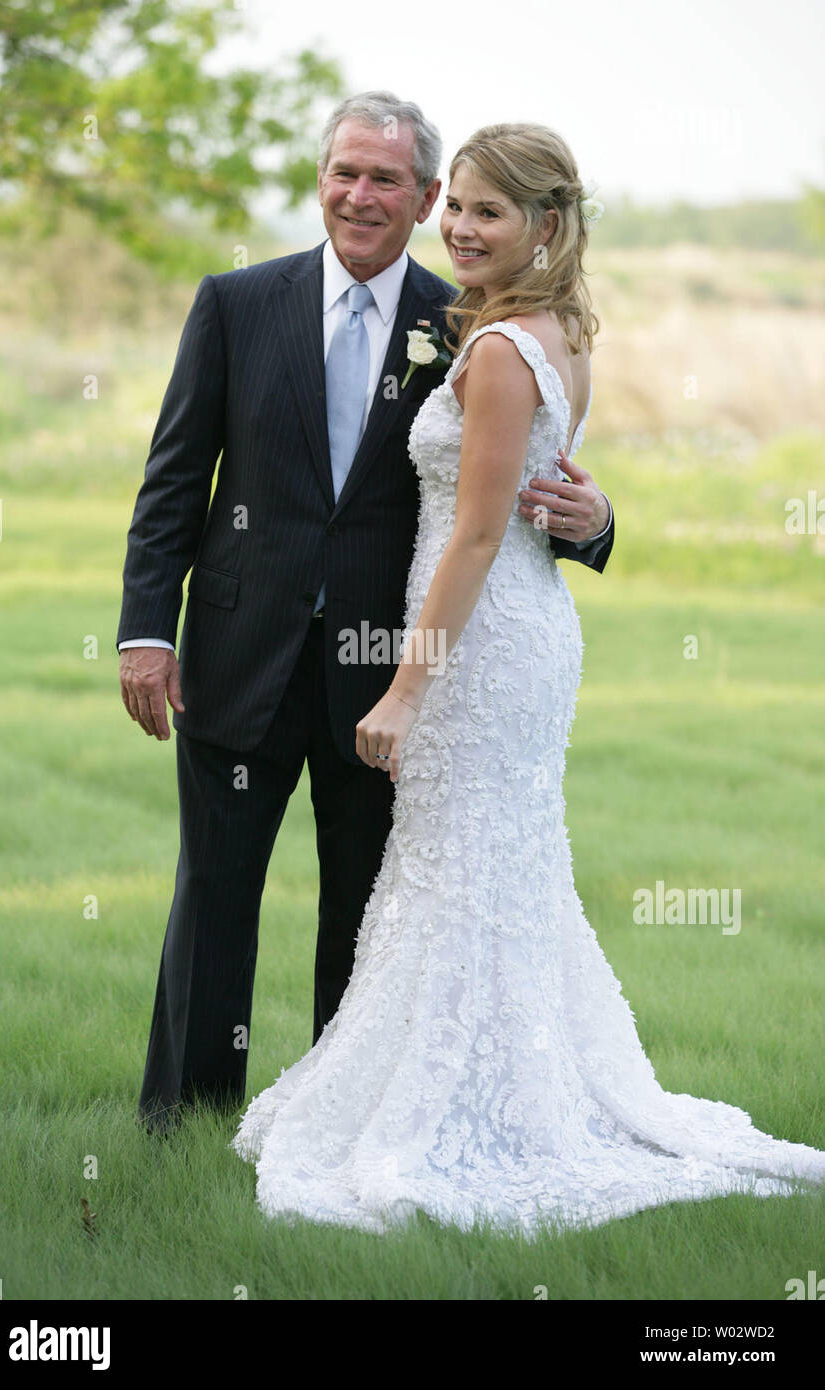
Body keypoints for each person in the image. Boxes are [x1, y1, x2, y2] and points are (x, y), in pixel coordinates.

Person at [230, 121, 825, 1234]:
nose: (457, 226)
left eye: (485, 211)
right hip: (511, 629)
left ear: (544, 225)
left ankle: (470, 1110)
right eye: (451, 204)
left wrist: (406, 686)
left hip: (479, 640)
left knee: (460, 870)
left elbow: (471, 534)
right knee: (481, 869)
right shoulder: (551, 331)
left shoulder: (501, 352)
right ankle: (499, 1086)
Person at [117, 93, 614, 1134]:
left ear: (422, 196)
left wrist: (598, 518)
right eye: (344, 171)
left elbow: (514, 494)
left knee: (367, 907)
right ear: (320, 178)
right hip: (239, 649)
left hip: (391, 669)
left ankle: (336, 1123)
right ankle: (184, 1119)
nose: (359, 194)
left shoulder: (470, 316)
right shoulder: (235, 303)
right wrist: (147, 630)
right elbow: (173, 482)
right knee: (213, 896)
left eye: (386, 179)